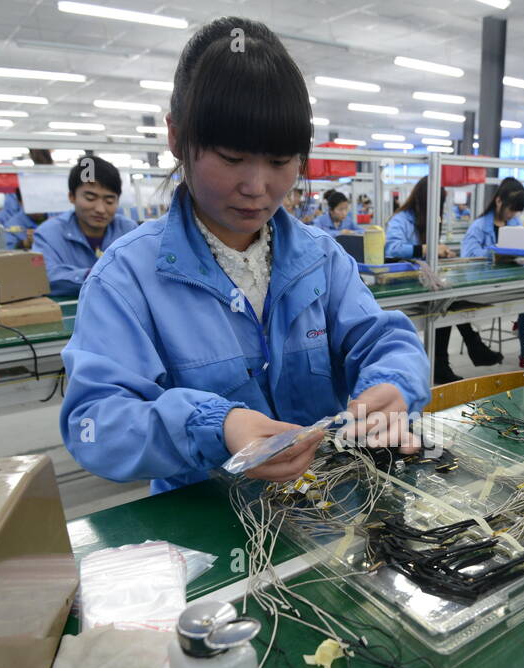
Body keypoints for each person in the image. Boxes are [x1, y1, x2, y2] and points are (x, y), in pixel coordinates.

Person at [59, 17, 429, 494]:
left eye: (280, 162)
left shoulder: (322, 258)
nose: (257, 188)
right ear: (176, 137)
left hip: (326, 507)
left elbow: (383, 341)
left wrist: (394, 384)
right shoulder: (126, 276)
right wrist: (216, 427)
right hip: (208, 525)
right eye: (232, 158)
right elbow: (97, 422)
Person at [388, 175, 502, 383]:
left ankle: (446, 361)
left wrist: (441, 252)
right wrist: (428, 248)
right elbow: (392, 248)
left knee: (447, 299)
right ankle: (471, 346)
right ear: (424, 200)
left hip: (423, 282)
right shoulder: (402, 219)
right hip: (401, 282)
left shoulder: (427, 220)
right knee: (446, 299)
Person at [462, 176, 524, 368]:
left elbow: (522, 249)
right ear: (498, 201)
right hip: (484, 287)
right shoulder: (478, 227)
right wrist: (496, 252)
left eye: (517, 211)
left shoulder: (515, 224)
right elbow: (468, 258)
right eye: (511, 209)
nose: (513, 215)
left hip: (511, 283)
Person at [31, 157, 139, 297]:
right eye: (90, 198)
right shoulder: (48, 234)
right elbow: (44, 277)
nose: (100, 209)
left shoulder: (128, 230)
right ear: (72, 196)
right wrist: (96, 274)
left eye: (109, 200)